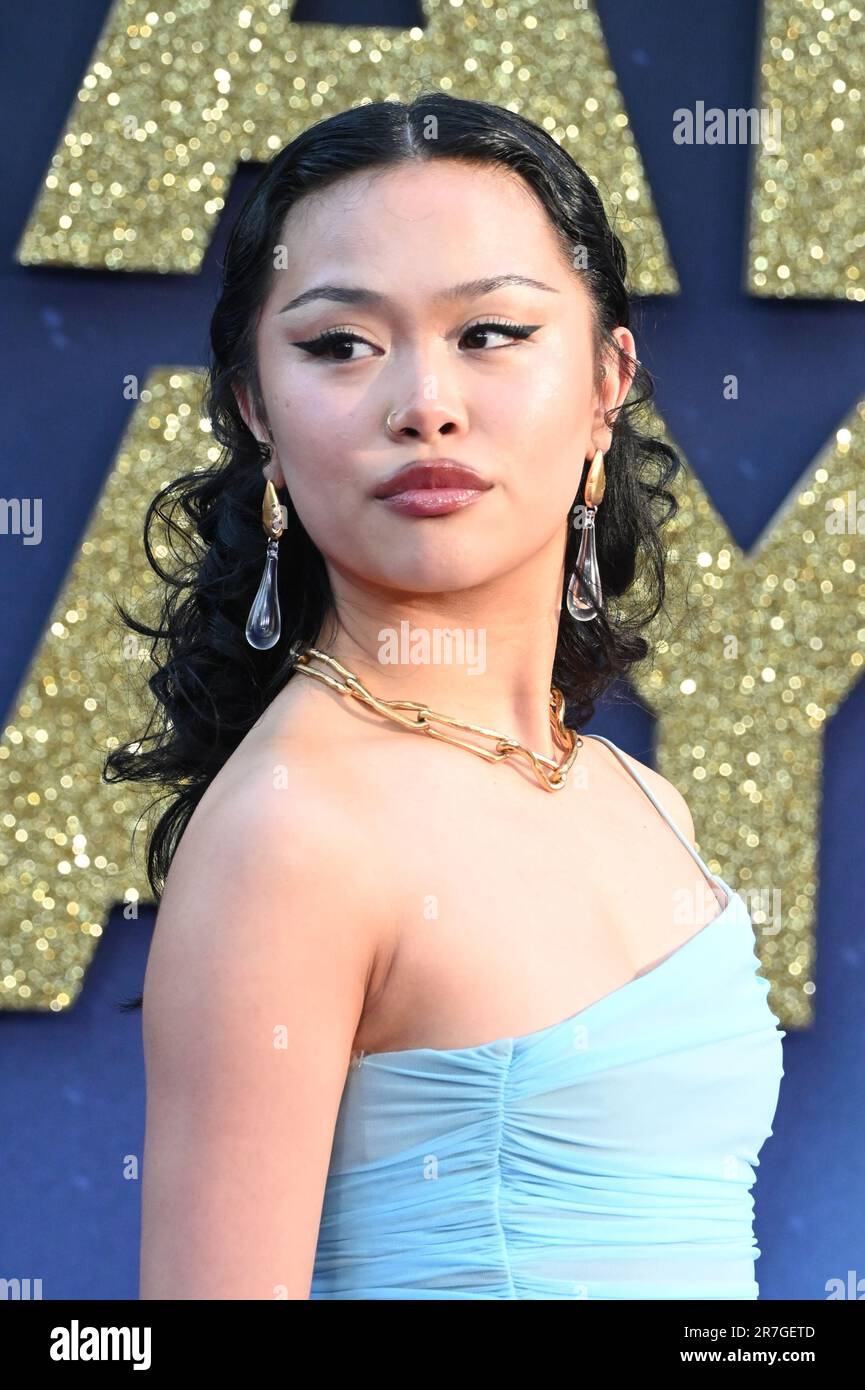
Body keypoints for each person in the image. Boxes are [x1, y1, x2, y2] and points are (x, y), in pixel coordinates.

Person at [106, 92, 785, 1300]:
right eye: (338, 346)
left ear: (605, 380)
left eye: (490, 334)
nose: (424, 402)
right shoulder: (292, 835)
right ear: (257, 409)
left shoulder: (642, 800)